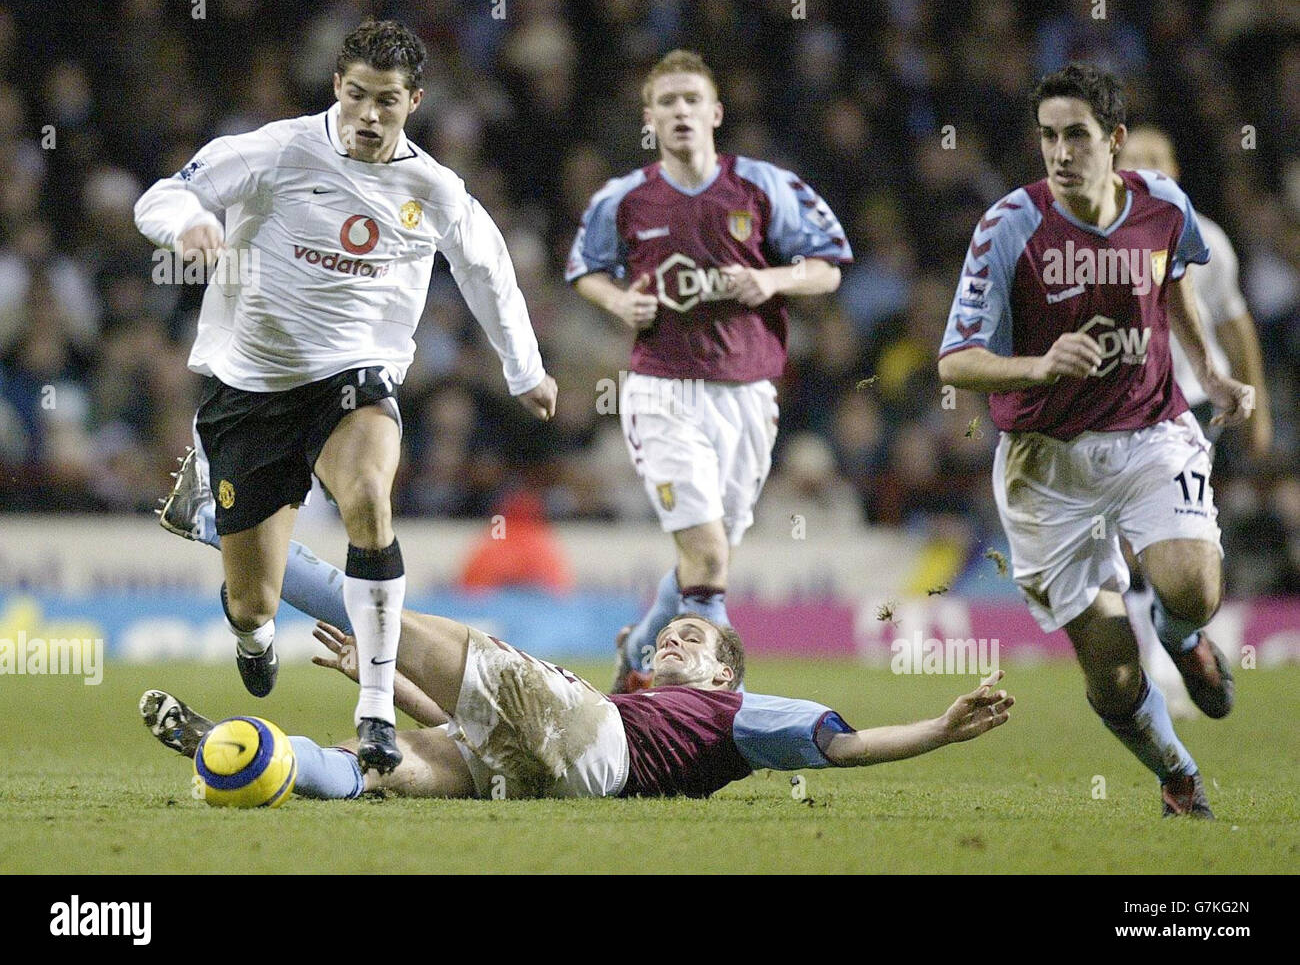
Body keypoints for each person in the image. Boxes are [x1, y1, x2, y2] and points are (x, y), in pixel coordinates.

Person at [134, 19, 557, 774]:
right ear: (336, 86)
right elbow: (163, 196)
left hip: (355, 377)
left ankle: (373, 712)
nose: (368, 114)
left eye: (387, 101)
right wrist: (191, 225)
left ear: (415, 100)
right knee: (253, 601)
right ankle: (242, 605)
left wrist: (524, 371)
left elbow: (488, 268)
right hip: (254, 390)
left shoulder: (432, 187)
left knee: (369, 495)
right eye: (356, 94)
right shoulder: (276, 150)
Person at [936, 63, 1255, 818]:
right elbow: (955, 358)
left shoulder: (1164, 207)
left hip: (1149, 431)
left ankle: (1183, 638)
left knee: (1194, 588)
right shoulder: (1009, 225)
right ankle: (1177, 773)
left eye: (1076, 135)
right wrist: (1039, 363)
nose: (1059, 151)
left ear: (1114, 141)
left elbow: (1172, 282)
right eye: (1047, 136)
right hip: (1046, 465)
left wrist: (1212, 369)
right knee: (1111, 675)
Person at [565, 50, 852, 692]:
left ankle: (638, 652)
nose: (680, 111)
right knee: (709, 556)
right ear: (650, 119)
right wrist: (620, 302)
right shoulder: (626, 198)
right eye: (666, 102)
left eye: (692, 99)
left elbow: (829, 265)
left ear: (715, 112)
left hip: (748, 392)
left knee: (709, 552)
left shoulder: (763, 186)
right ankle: (708, 707)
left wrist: (769, 278)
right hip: (663, 390)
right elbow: (584, 269)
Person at [141, 611, 1014, 802]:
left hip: (610, 757)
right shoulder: (635, 697)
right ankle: (241, 753)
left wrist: (940, 727)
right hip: (556, 781)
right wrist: (373, 682)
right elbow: (464, 719)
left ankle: (279, 558)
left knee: (478, 646)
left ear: (722, 674)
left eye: (693, 640)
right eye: (667, 634)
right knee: (381, 755)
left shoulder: (740, 711)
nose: (673, 642)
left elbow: (845, 746)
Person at [1115, 126, 1273, 718]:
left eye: (1158, 159)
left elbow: (1236, 324)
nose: (1147, 168)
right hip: (1122, 409)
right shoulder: (1095, 241)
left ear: (1176, 167)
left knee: (1180, 546)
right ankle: (1166, 661)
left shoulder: (1207, 239)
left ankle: (1174, 648)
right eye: (1135, 160)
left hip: (1193, 408)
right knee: (1133, 548)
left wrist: (1261, 406)